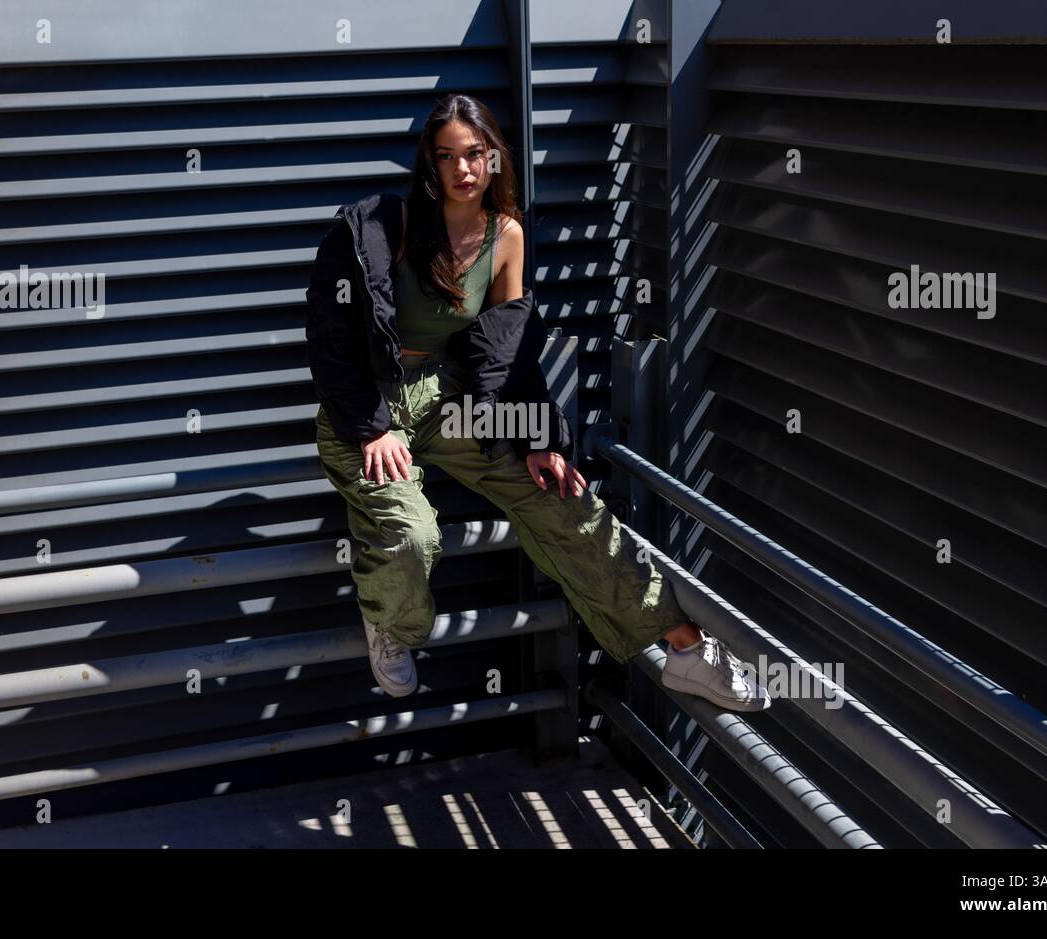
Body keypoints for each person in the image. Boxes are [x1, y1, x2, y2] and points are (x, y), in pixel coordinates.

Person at [304, 93, 768, 712]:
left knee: (564, 498)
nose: (463, 169)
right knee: (411, 533)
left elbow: (507, 350)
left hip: (447, 398)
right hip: (368, 406)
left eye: (475, 154)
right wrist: (370, 427)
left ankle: (684, 648)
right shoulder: (382, 226)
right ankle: (391, 624)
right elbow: (330, 337)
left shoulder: (506, 237)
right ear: (429, 162)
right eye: (447, 156)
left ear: (494, 158)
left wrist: (538, 438)